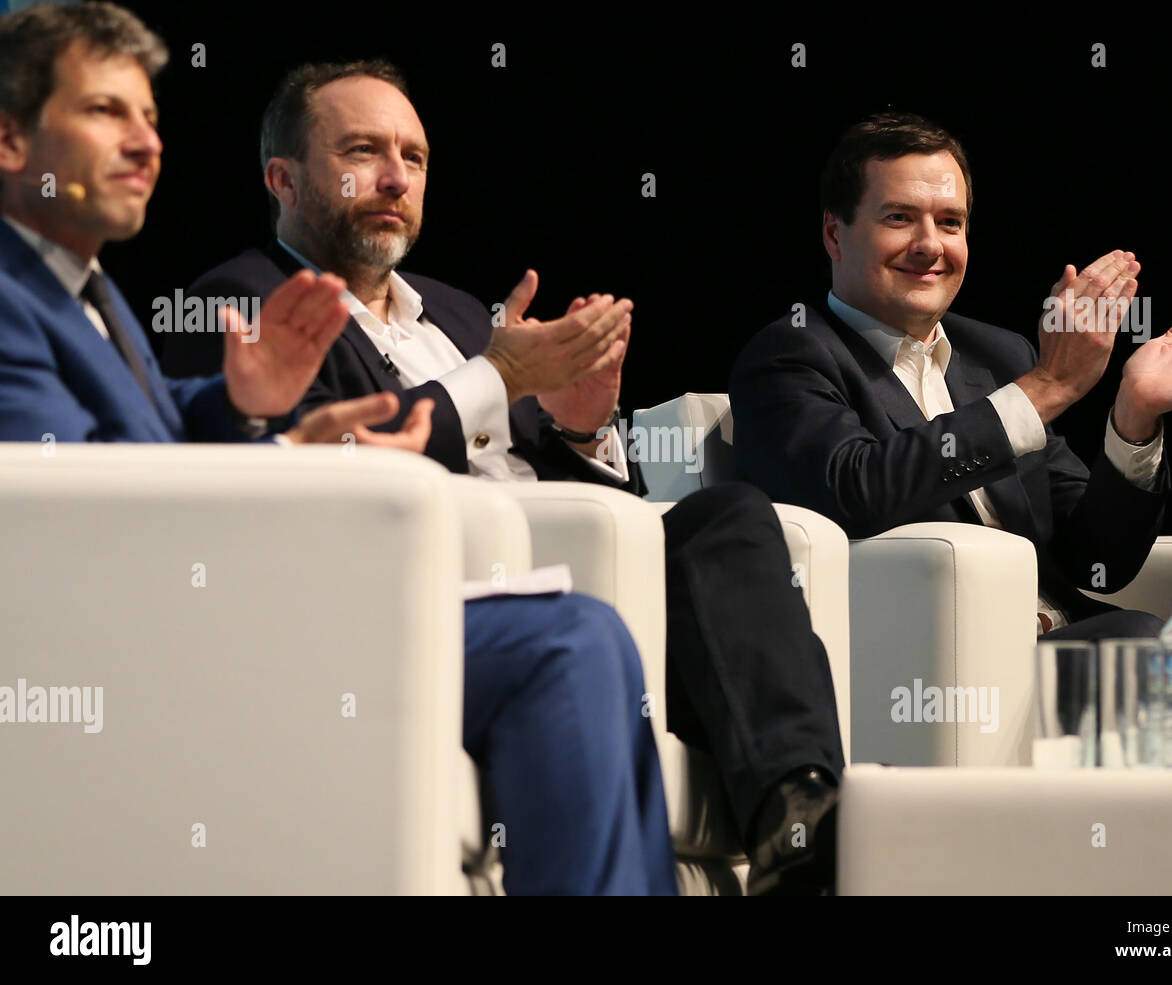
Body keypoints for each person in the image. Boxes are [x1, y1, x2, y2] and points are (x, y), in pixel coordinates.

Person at [0, 2, 674, 895]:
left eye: (152, 118)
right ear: (10, 142)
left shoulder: (86, 289)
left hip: (239, 612)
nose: (146, 143)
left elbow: (145, 430)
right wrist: (281, 452)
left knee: (593, 633)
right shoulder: (19, 295)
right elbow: (62, 509)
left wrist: (255, 412)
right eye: (105, 112)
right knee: (568, 643)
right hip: (164, 651)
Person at [178, 60, 844, 894]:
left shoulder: (456, 311)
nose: (394, 177)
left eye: (414, 158)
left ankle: (803, 816)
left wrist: (580, 422)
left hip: (590, 590)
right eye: (362, 150)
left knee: (732, 516)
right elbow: (313, 481)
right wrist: (495, 373)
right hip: (456, 605)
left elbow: (605, 515)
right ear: (283, 178)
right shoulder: (244, 304)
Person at [730, 111, 1172, 643]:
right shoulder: (792, 353)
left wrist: (1135, 417)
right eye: (900, 218)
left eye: (950, 222)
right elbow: (853, 491)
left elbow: (1099, 561)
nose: (931, 245)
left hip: (1065, 639)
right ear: (835, 234)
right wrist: (1047, 388)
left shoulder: (997, 354)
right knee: (1139, 640)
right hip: (939, 666)